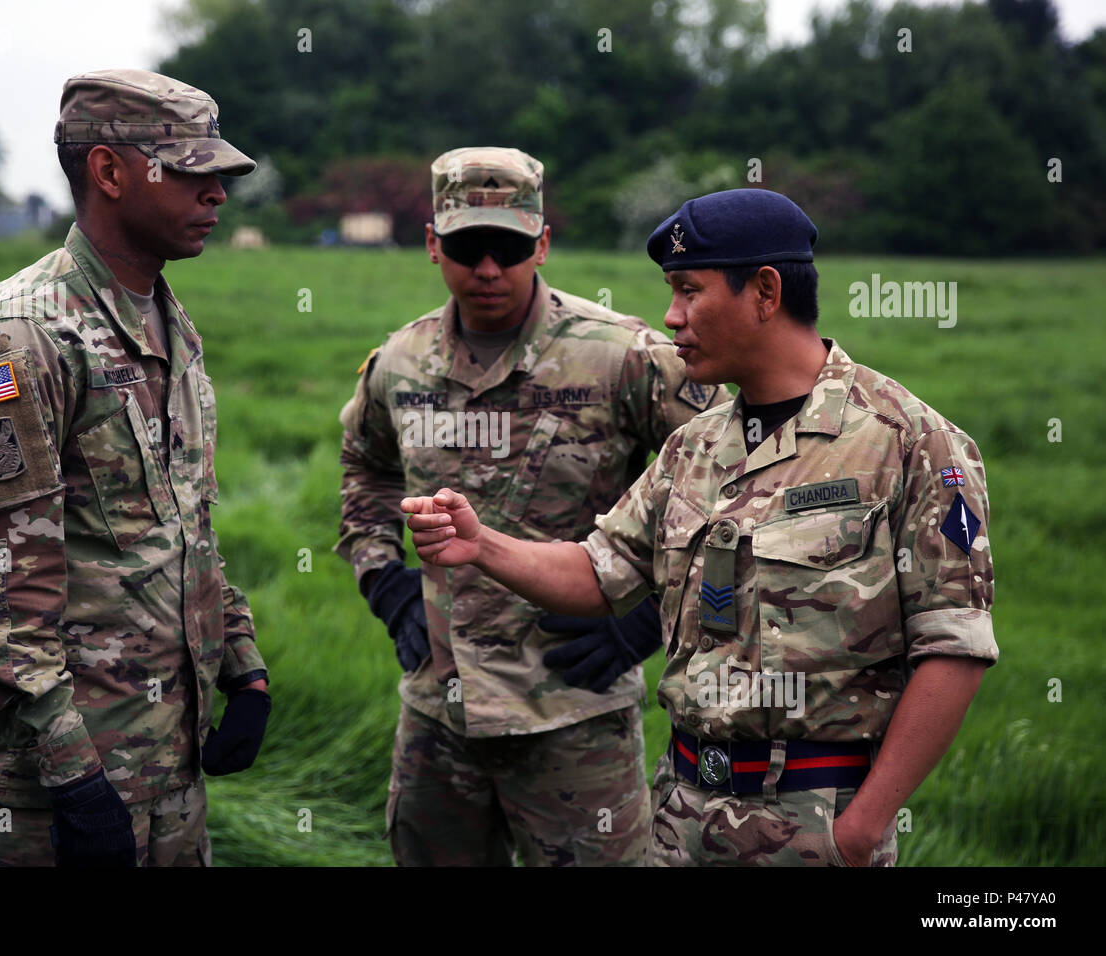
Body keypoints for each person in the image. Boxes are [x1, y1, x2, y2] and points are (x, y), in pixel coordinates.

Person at [401, 188, 997, 866]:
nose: (671, 317)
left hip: (814, 825)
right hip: (681, 816)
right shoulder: (694, 446)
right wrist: (483, 546)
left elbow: (954, 646)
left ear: (765, 293)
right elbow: (601, 573)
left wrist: (861, 828)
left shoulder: (911, 443)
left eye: (689, 291)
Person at [336, 146, 726, 866]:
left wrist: (646, 619)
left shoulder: (623, 356)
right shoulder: (399, 362)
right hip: (439, 715)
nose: (488, 269)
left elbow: (732, 485)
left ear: (542, 243)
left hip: (575, 718)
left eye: (509, 248)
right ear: (432, 244)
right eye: (466, 247)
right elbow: (366, 468)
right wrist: (384, 582)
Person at [0, 69, 270, 867]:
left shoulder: (168, 322)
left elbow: (184, 526)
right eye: (190, 171)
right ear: (110, 172)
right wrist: (74, 776)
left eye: (220, 175)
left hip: (164, 771)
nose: (217, 194)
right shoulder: (19, 336)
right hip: (46, 797)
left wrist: (242, 664)